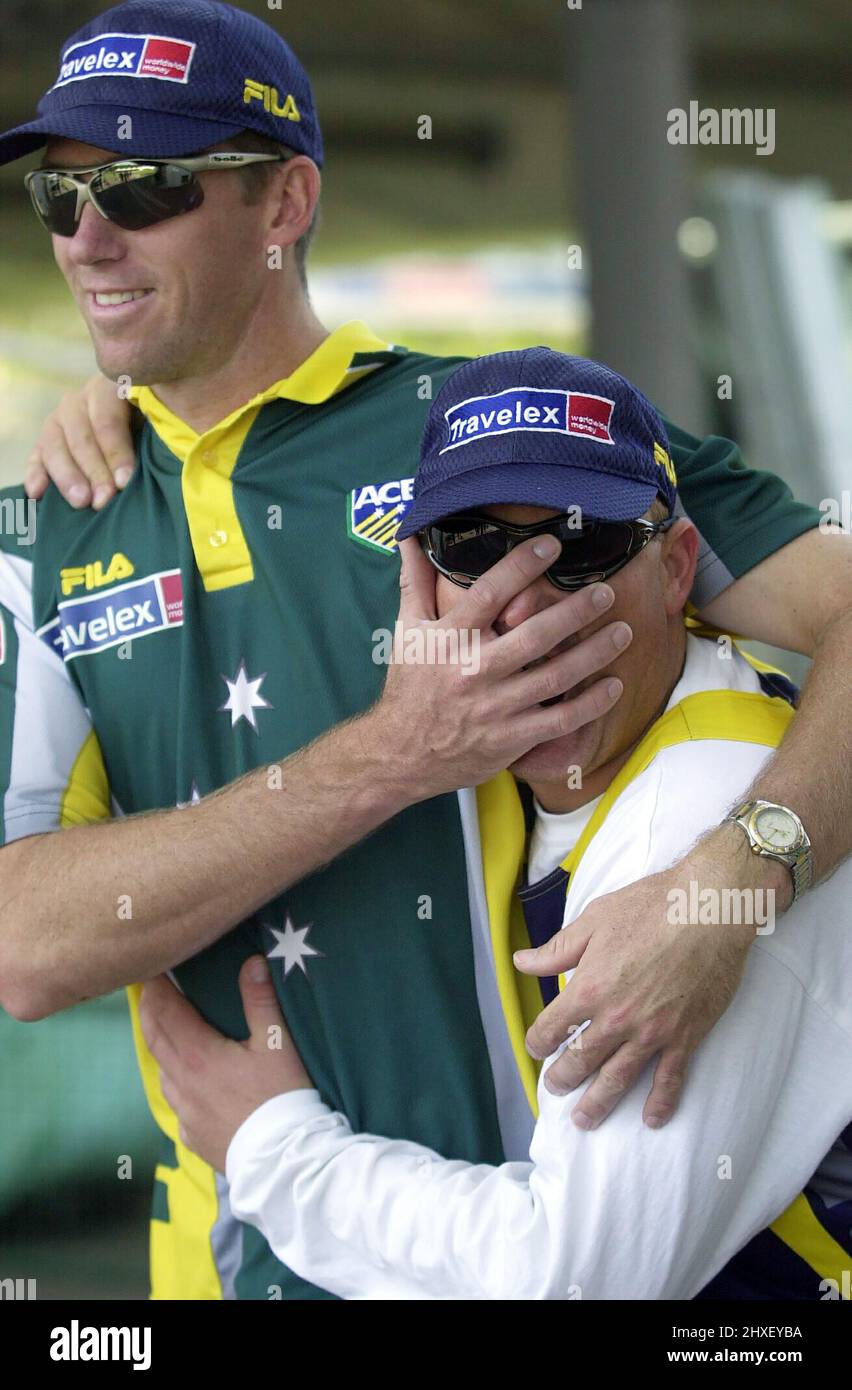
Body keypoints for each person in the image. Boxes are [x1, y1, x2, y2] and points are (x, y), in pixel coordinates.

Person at [1, 0, 851, 1300]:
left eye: (145, 183)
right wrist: (385, 760)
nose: (89, 237)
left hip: (511, 1240)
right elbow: (23, 946)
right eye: (59, 197)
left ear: (285, 203)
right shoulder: (44, 524)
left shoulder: (499, 430)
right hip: (219, 1268)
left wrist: (736, 879)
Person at [139, 349, 852, 1301]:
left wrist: (274, 1152)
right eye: (472, 546)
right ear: (417, 580)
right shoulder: (496, 761)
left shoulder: (688, 820)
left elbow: (567, 1284)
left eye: (579, 542)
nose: (521, 601)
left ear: (679, 568)